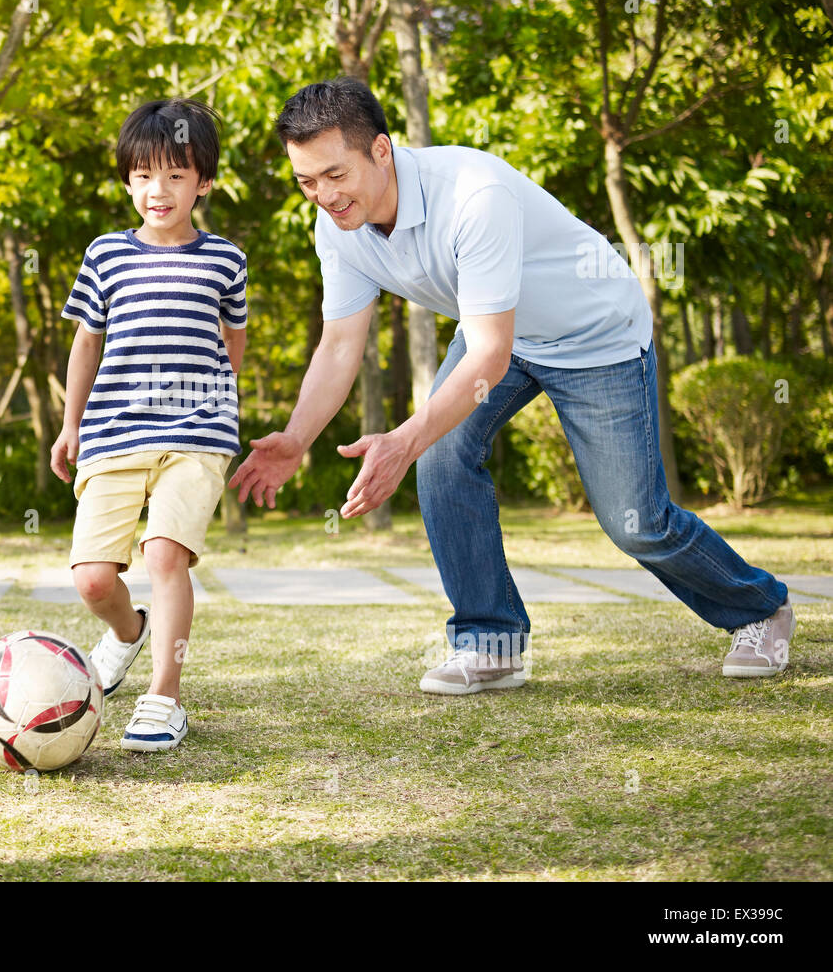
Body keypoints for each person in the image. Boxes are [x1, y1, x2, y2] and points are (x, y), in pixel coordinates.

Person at [230, 77, 793, 694]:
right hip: (499, 332)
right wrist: (297, 437)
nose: (324, 196)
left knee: (635, 522)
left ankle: (761, 609)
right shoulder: (339, 227)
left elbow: (488, 358)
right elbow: (339, 346)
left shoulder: (473, 194)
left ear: (381, 151)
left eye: (335, 175)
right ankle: (489, 642)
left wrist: (404, 438)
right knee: (442, 460)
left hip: (593, 337)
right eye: (307, 182)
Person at [50, 98, 247, 751]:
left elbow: (232, 342)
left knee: (164, 553)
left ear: (204, 182)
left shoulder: (226, 260)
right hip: (113, 433)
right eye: (141, 175)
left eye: (173, 176)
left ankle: (165, 695)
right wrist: (70, 424)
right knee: (93, 577)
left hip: (197, 435)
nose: (155, 191)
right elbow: (86, 344)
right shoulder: (106, 254)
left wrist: (219, 401)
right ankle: (129, 632)